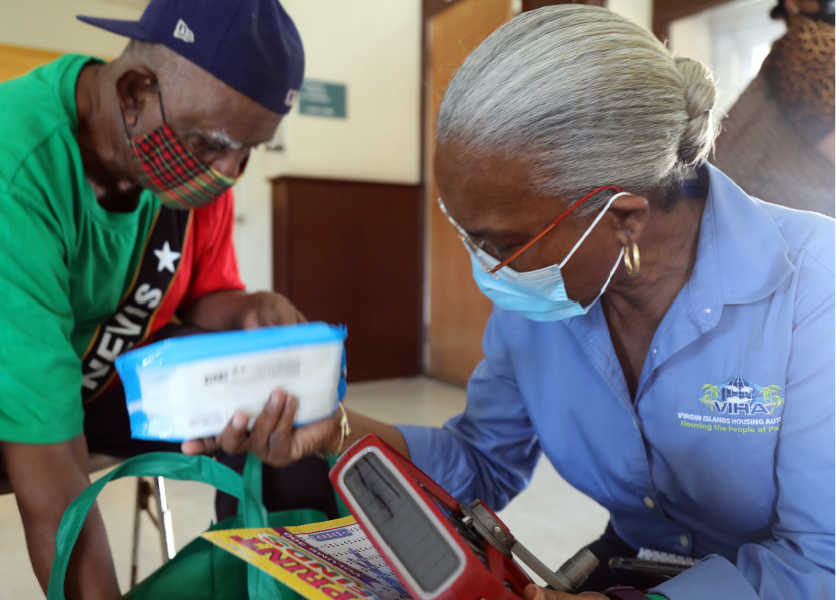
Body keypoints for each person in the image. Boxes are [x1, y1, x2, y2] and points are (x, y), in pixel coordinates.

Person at [204, 6, 835, 599]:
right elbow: (481, 464)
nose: (484, 266)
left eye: (500, 243)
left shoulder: (815, 287)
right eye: (466, 233)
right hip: (627, 565)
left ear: (624, 221)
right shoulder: (548, 298)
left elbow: (819, 560)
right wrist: (333, 431)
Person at [0, 1, 333, 598]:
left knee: (277, 407)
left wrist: (245, 310)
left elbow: (203, 294)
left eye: (249, 151)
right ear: (134, 92)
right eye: (216, 144)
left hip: (93, 375)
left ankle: (268, 584)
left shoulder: (181, 158)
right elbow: (54, 490)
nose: (229, 173)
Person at [714, 0, 835, 216]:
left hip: (768, 198)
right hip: (767, 195)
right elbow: (826, 134)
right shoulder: (805, 42)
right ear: (791, 3)